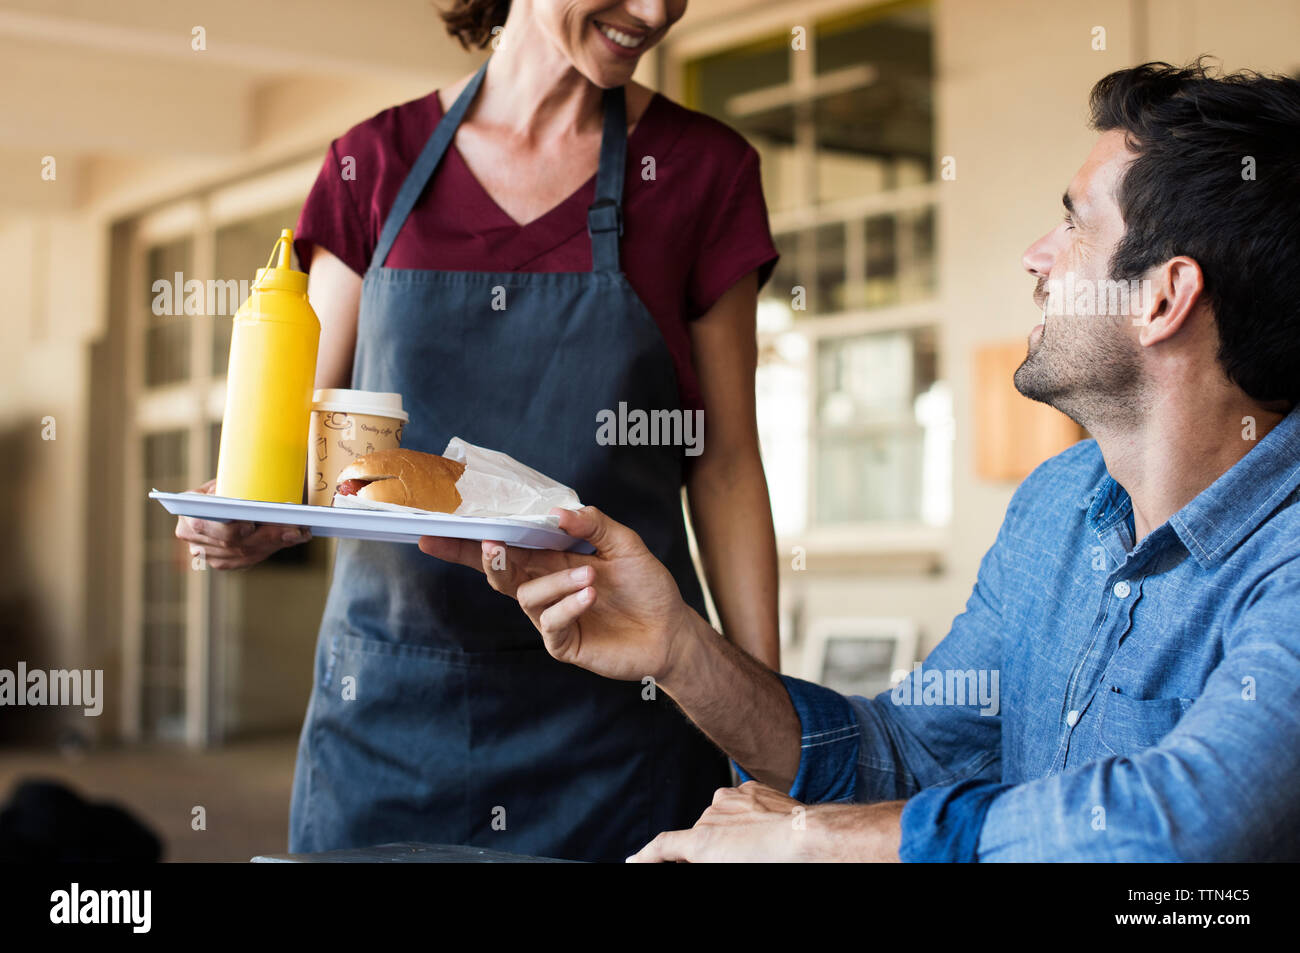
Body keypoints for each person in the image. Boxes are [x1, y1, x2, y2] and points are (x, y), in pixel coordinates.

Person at [422, 60, 1300, 861]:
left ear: (1161, 298)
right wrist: (678, 645)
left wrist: (810, 840)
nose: (1036, 257)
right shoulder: (1058, 504)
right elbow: (901, 755)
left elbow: (1188, 826)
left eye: (1073, 226)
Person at [175, 0, 782, 863]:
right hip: (389, 717)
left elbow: (724, 467)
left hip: (620, 729)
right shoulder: (371, 164)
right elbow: (299, 444)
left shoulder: (701, 171)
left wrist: (768, 740)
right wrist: (251, 515)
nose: (654, 11)